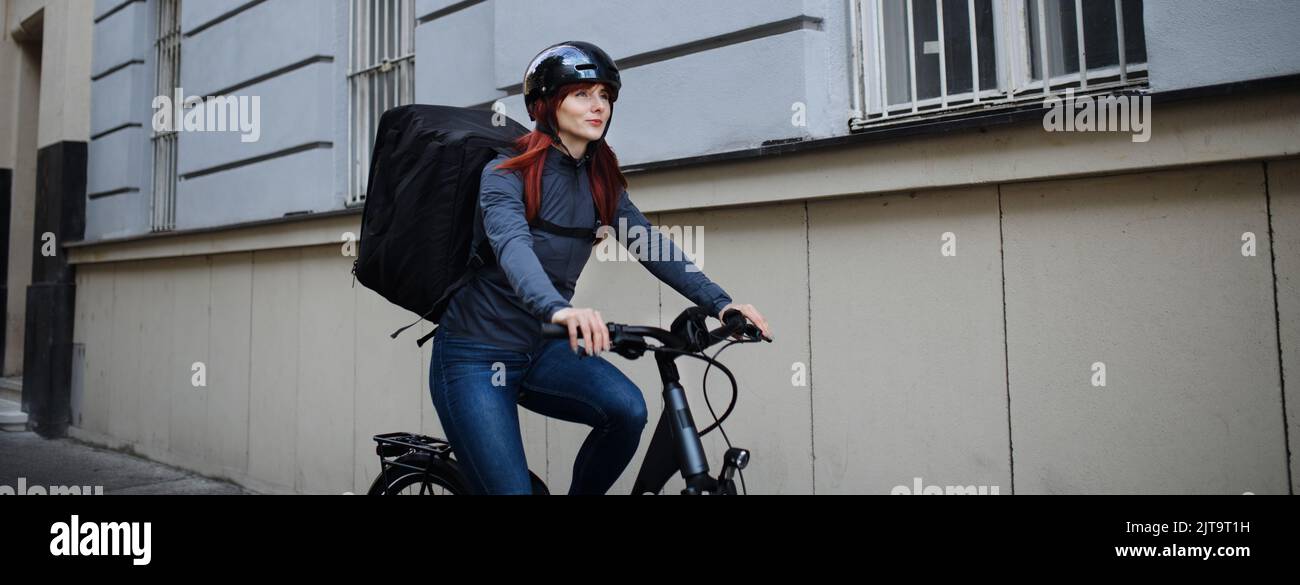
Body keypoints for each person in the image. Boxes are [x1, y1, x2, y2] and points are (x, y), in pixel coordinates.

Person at [429, 40, 773, 495]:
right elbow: (514, 248)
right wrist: (558, 309)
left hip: (541, 347)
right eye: (582, 94)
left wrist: (723, 304)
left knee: (626, 411)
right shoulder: (504, 173)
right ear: (546, 105)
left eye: (605, 96)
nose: (598, 106)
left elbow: (650, 244)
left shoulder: (601, 180)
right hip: (475, 354)